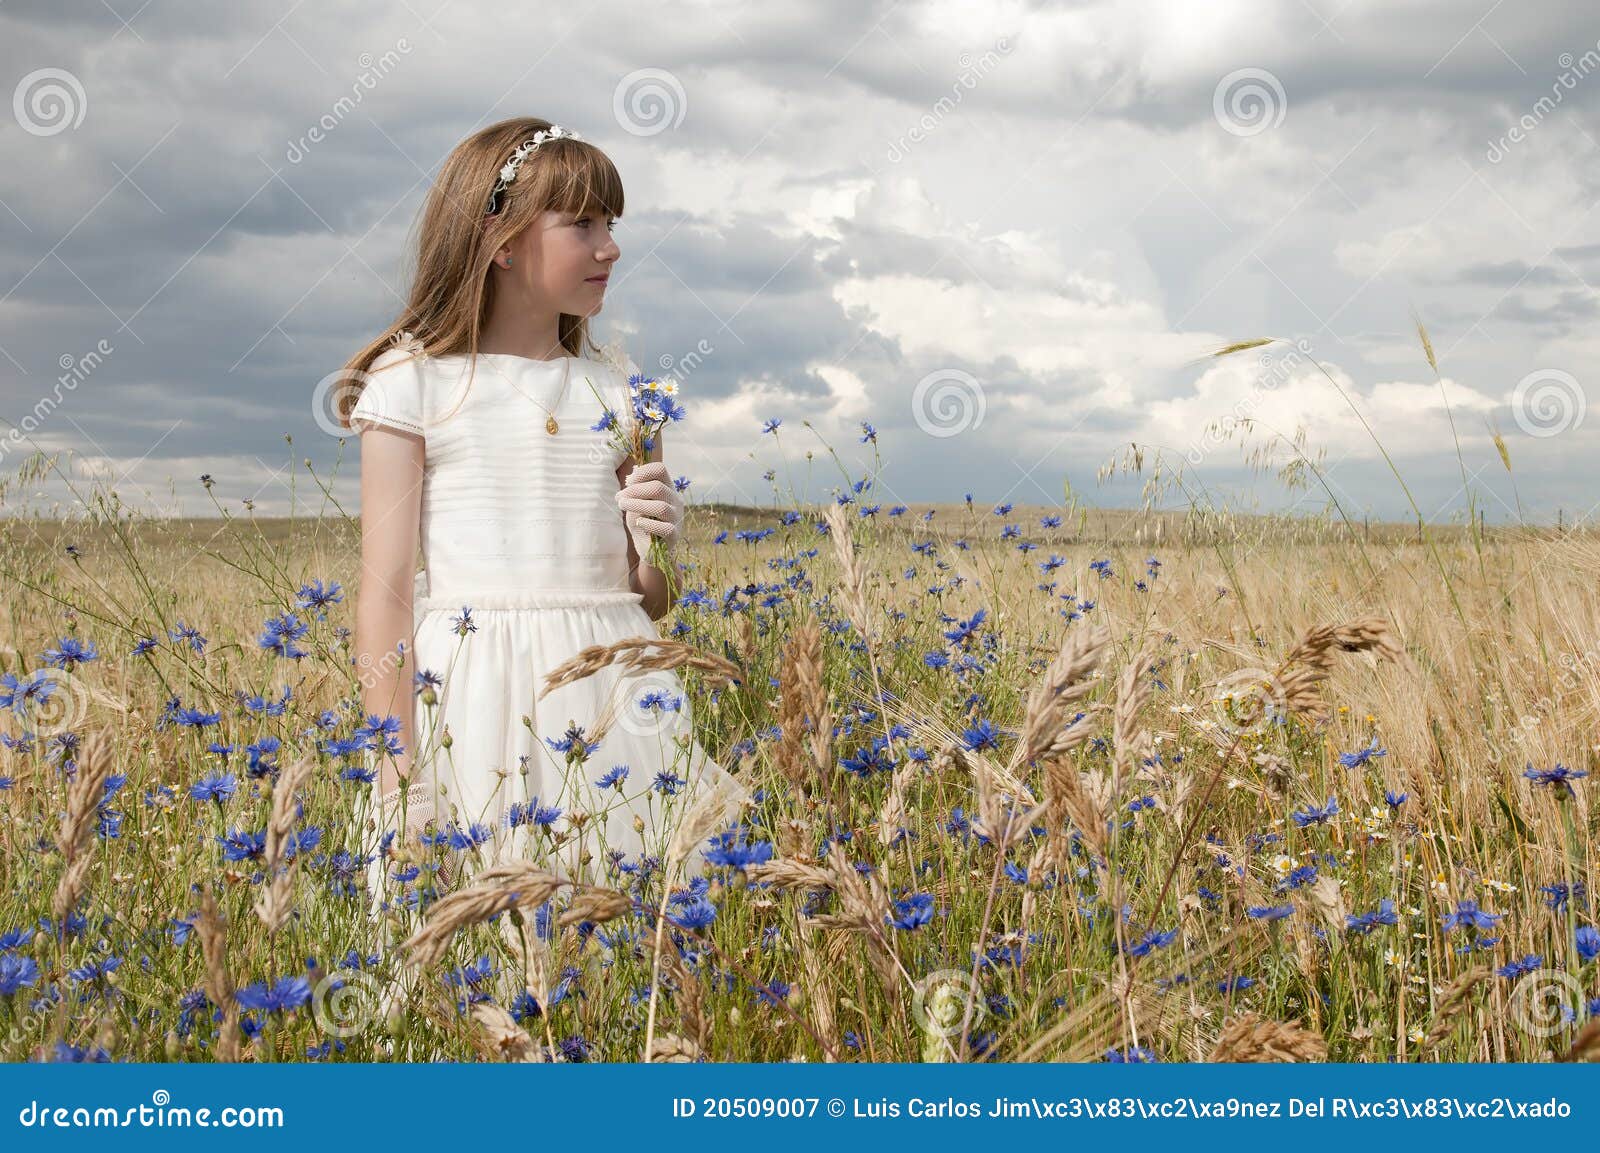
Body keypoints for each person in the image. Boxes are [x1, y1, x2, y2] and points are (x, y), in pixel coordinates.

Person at [341, 117, 749, 914]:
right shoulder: (415, 384)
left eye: (612, 225)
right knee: (474, 929)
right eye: (584, 225)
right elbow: (384, 593)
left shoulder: (623, 392)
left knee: (625, 924)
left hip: (616, 689)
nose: (611, 247)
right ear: (502, 242)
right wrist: (397, 779)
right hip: (471, 693)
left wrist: (655, 545)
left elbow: (649, 598)